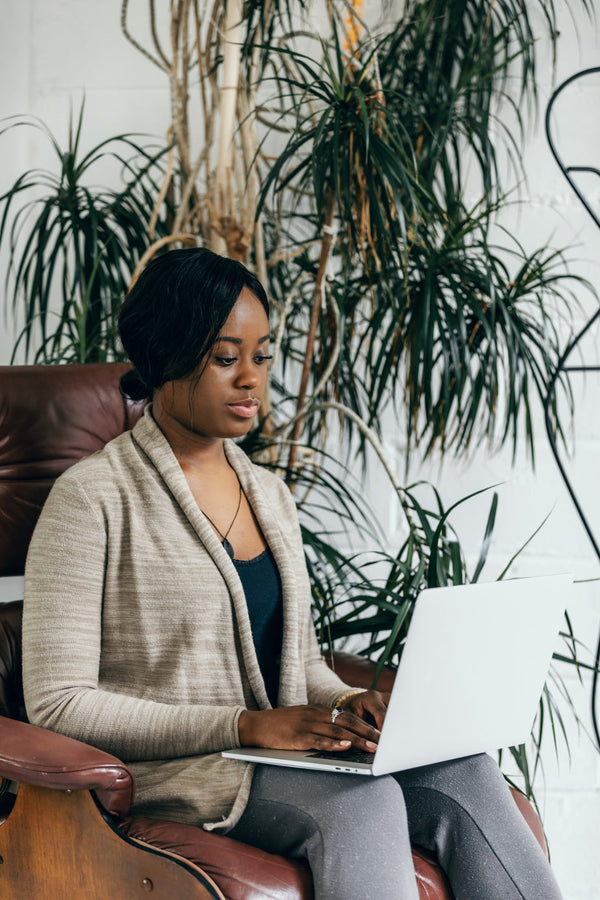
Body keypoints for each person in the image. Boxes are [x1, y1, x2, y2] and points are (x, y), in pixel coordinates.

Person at [22, 248, 563, 900]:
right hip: (188, 767)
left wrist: (343, 704)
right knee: (360, 804)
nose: (252, 379)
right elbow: (58, 703)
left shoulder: (269, 496)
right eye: (227, 359)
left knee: (465, 774)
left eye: (262, 355)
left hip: (279, 754)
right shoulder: (91, 498)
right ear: (167, 358)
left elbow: (300, 666)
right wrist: (244, 726)